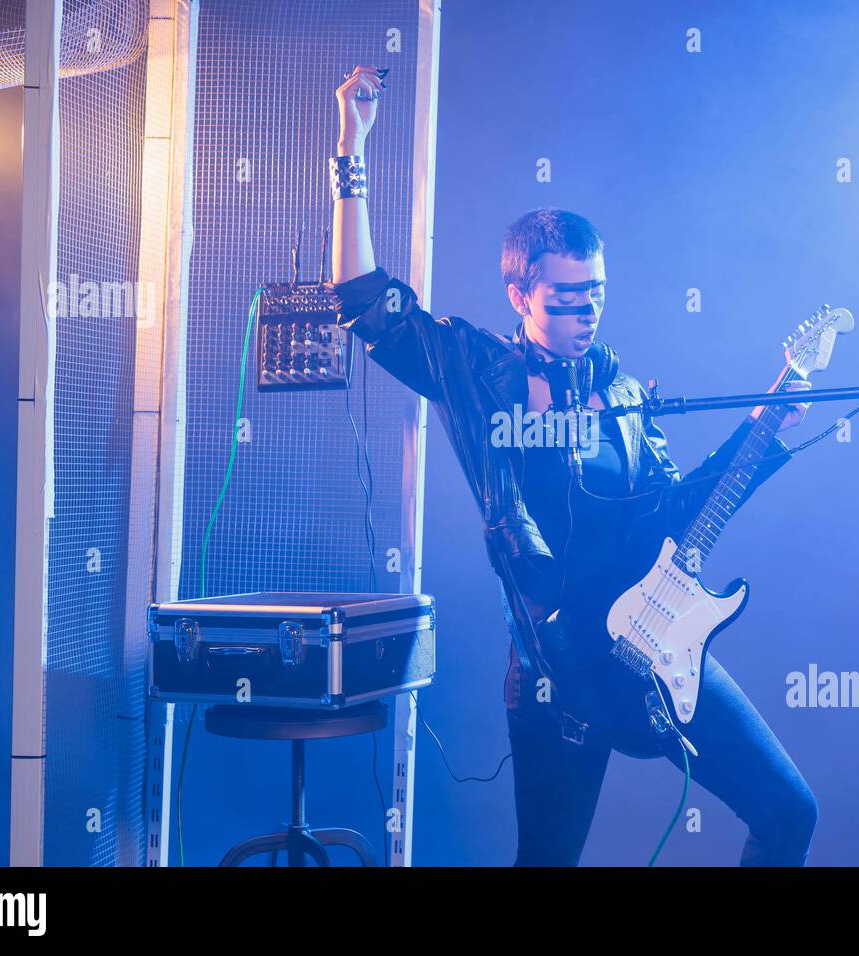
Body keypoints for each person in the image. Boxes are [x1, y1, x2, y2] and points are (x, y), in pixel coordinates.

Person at [326, 65, 818, 866]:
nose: (586, 315)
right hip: (561, 678)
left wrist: (759, 430)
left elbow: (675, 516)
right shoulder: (475, 372)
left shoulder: (623, 391)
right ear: (518, 295)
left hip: (660, 651)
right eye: (565, 299)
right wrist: (352, 146)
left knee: (790, 813)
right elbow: (363, 298)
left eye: (597, 295)